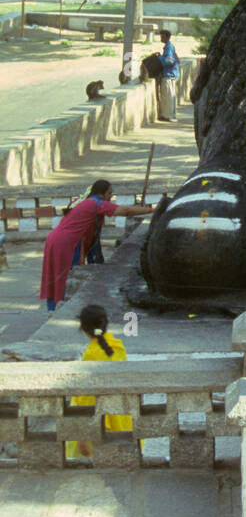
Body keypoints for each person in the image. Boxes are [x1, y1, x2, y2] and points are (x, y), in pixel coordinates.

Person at [40, 180, 154, 311]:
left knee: (57, 273)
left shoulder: (86, 201)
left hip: (56, 239)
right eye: (110, 193)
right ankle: (59, 307)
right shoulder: (95, 203)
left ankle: (53, 307)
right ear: (102, 194)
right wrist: (149, 209)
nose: (111, 197)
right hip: (65, 241)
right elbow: (125, 210)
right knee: (65, 274)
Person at [66, 304, 136, 460]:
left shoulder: (91, 356)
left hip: (99, 421)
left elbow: (86, 399)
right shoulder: (118, 347)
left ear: (83, 329)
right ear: (107, 321)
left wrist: (83, 436)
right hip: (121, 415)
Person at [156, 29, 180, 122]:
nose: (161, 38)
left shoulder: (169, 47)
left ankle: (167, 116)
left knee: (168, 96)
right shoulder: (169, 46)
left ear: (167, 37)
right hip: (171, 74)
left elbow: (169, 61)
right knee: (169, 95)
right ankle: (168, 115)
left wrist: (159, 57)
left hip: (169, 74)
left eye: (162, 37)